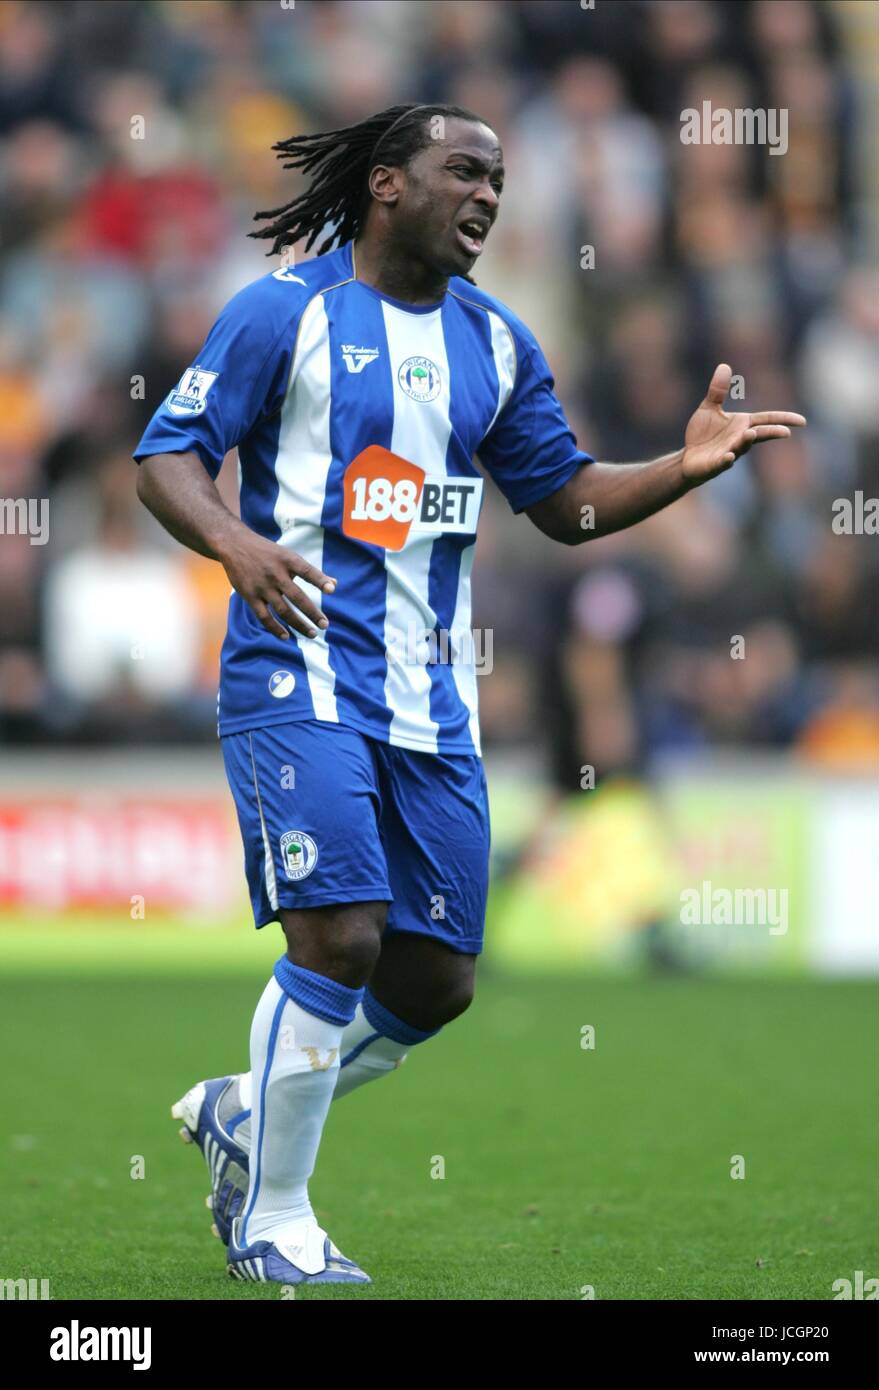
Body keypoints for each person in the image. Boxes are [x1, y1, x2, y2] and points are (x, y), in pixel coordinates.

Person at [133, 102, 805, 1286]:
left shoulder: (495, 342)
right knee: (338, 935)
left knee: (432, 979)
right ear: (388, 185)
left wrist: (680, 468)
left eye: (500, 178)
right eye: (465, 171)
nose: (489, 195)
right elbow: (166, 457)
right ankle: (275, 1218)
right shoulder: (281, 314)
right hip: (298, 673)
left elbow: (562, 501)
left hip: (432, 703)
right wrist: (234, 544)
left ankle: (248, 1109)